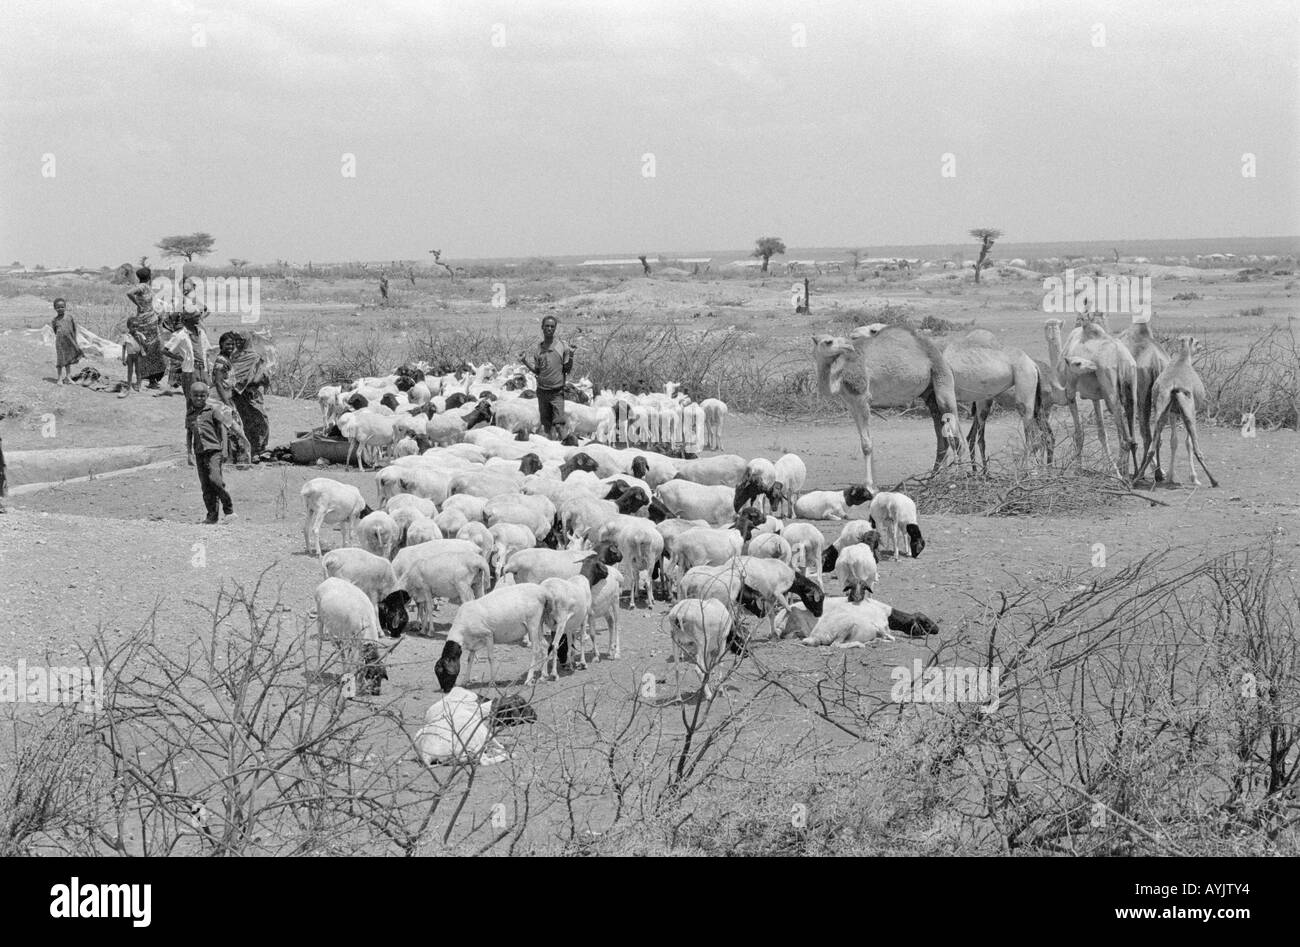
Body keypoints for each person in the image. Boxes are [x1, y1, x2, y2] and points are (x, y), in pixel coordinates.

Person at [414, 649, 507, 766]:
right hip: (449, 745)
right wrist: (501, 748)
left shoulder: (458, 701)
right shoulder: (471, 715)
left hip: (429, 746)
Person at [162, 312, 211, 462]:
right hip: (190, 372)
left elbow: (206, 352)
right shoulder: (180, 335)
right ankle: (190, 451)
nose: (199, 318)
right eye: (196, 316)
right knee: (192, 409)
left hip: (203, 371)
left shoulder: (201, 332)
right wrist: (180, 358)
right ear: (187, 319)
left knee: (206, 406)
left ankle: (206, 444)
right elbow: (165, 350)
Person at [519, 315, 574, 439]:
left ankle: (565, 447)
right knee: (546, 426)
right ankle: (551, 452)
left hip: (557, 392)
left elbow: (567, 369)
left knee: (559, 425)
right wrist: (524, 361)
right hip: (542, 392)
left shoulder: (562, 346)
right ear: (542, 328)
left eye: (552, 326)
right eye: (547, 326)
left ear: (555, 329)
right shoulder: (539, 349)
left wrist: (571, 356)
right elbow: (538, 371)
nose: (549, 328)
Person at [186, 382, 234, 525]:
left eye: (202, 395)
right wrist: (189, 453)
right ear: (190, 396)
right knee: (206, 486)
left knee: (215, 480)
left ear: (207, 396)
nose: (199, 398)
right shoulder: (189, 414)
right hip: (199, 453)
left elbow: (223, 429)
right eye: (196, 395)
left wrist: (224, 449)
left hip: (214, 451)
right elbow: (189, 434)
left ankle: (229, 510)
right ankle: (212, 516)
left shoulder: (212, 411)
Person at [224, 332, 271, 460]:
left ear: (248, 341)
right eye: (237, 340)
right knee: (240, 421)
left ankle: (259, 449)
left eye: (241, 340)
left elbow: (262, 375)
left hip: (252, 395)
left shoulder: (255, 357)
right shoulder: (233, 357)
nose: (238, 343)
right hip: (237, 396)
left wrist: (251, 382)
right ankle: (242, 451)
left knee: (259, 419)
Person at [125, 266, 165, 390]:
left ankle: (148, 380)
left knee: (146, 349)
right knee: (149, 349)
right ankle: (145, 380)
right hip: (147, 321)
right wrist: (137, 303)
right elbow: (129, 293)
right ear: (149, 277)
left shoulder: (146, 288)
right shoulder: (144, 287)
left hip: (146, 321)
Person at [50, 298, 83, 385]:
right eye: (58, 307)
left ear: (65, 307)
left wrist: (74, 341)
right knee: (60, 360)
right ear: (54, 308)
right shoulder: (54, 320)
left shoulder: (69, 317)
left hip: (69, 342)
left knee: (68, 360)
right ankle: (59, 378)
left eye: (62, 307)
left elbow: (73, 329)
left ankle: (68, 377)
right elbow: (55, 331)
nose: (60, 309)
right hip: (60, 343)